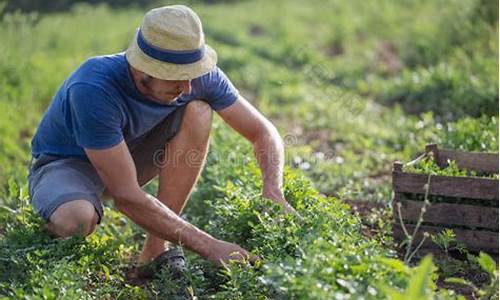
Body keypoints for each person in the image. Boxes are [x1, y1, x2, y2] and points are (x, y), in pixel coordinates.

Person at [28, 5, 296, 271]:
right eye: (176, 78)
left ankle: (156, 248)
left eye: (192, 74)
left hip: (132, 156)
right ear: (143, 71)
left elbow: (263, 131)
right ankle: (54, 214)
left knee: (199, 110)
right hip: (69, 163)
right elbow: (127, 196)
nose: (188, 87)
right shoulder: (93, 88)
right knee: (75, 219)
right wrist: (211, 246)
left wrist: (273, 189)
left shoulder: (196, 77)